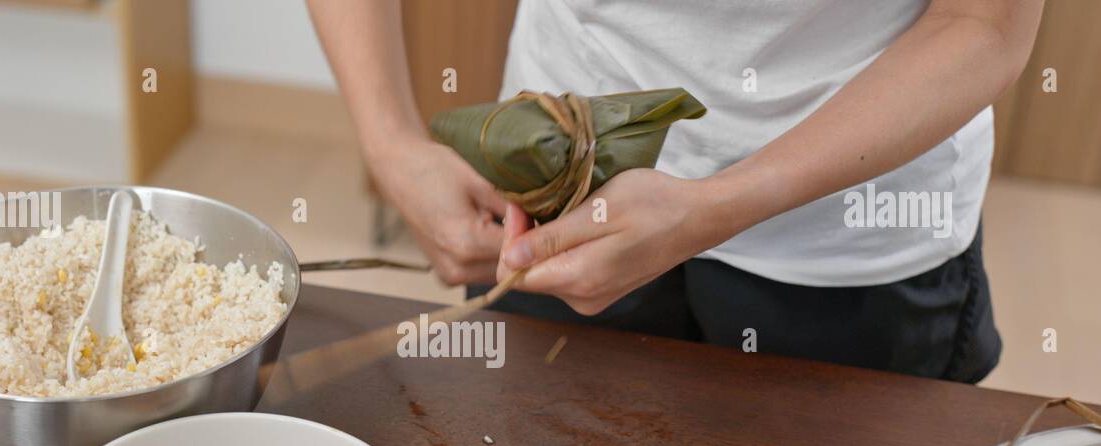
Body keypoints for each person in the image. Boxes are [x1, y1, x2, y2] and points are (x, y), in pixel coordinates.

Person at [307, 0, 1044, 382]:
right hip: (559, 186)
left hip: (849, 246)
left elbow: (983, 22)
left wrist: (719, 203)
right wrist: (391, 143)